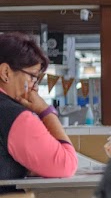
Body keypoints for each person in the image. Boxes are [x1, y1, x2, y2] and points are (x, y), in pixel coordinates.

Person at [0, 33, 77, 182]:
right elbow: (67, 164)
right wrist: (45, 111)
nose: (34, 87)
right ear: (6, 72)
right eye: (32, 77)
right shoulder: (14, 116)